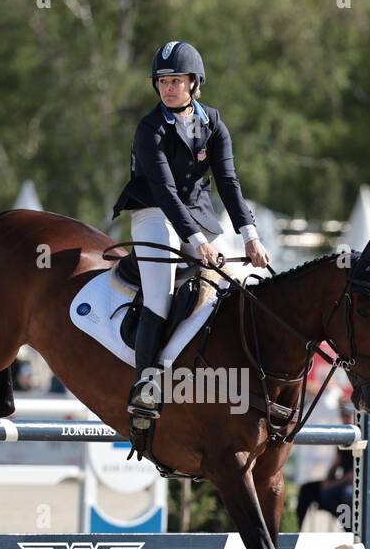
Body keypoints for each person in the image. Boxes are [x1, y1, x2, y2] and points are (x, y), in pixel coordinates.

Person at [110, 40, 269, 427]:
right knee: (161, 295)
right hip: (153, 212)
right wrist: (197, 244)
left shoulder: (213, 124)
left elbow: (228, 183)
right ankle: (145, 387)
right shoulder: (150, 129)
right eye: (162, 81)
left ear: (195, 83)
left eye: (176, 80)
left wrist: (250, 235)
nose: (168, 88)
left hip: (197, 213)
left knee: (233, 288)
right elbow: (164, 192)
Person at [295, 406, 356, 529]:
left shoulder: (361, 436)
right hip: (341, 483)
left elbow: (355, 474)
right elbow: (336, 463)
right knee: (306, 489)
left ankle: (352, 531)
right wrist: (328, 480)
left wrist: (333, 484)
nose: (345, 418)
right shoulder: (344, 436)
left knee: (347, 495)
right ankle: (297, 532)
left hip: (354, 484)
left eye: (348, 415)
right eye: (343, 415)